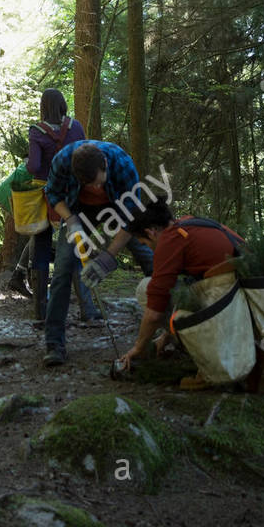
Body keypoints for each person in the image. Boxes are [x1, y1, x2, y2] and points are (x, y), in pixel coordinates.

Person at [116, 197, 250, 389]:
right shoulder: (188, 224)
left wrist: (139, 347)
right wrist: (166, 336)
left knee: (145, 288)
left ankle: (209, 365)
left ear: (151, 232)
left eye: (145, 243)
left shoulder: (169, 241)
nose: (149, 248)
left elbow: (154, 312)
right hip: (245, 299)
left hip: (229, 303)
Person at [42, 139, 154, 366]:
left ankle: (170, 328)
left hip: (118, 207)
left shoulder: (122, 164)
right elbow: (52, 193)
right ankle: (54, 343)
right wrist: (71, 220)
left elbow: (132, 220)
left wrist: (107, 258)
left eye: (97, 182)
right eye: (88, 184)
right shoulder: (63, 160)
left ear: (104, 164)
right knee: (63, 267)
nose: (95, 188)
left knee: (148, 257)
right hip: (78, 210)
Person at [19, 88, 102, 326]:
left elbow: (34, 165)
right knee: (76, 248)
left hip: (46, 194)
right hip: (75, 193)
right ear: (63, 104)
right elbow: (87, 154)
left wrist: (27, 163)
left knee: (42, 247)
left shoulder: (36, 131)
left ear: (43, 107)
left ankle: (41, 312)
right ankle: (88, 309)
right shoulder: (75, 127)